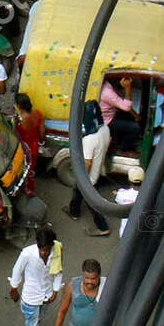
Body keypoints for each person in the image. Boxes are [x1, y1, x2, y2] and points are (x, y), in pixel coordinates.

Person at [8, 226, 62, 326]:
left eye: (46, 249)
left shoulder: (57, 249)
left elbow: (58, 272)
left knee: (37, 322)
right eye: (41, 249)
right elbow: (17, 270)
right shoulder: (27, 253)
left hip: (46, 296)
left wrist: (55, 290)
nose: (44, 253)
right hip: (30, 298)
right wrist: (14, 288)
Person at [68, 98, 113, 235]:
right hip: (98, 170)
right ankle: (73, 211)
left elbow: (87, 163)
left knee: (90, 200)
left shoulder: (89, 140)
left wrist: (81, 179)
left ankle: (103, 227)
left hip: (89, 178)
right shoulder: (105, 129)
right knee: (77, 194)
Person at [49, 259, 105, 326]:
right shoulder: (72, 286)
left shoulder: (107, 287)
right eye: (86, 278)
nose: (89, 282)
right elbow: (62, 312)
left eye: (93, 279)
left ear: (99, 276)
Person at [99, 75, 141, 152]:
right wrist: (128, 87)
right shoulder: (107, 92)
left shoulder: (107, 85)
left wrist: (134, 114)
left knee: (132, 117)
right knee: (135, 128)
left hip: (111, 113)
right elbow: (126, 106)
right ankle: (125, 148)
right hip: (106, 121)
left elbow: (121, 102)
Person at [15, 94, 43, 196]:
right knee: (31, 168)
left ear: (19, 106)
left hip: (25, 148)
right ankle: (30, 187)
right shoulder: (38, 114)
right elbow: (42, 131)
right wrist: (41, 142)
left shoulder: (21, 120)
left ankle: (28, 189)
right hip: (35, 146)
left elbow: (16, 135)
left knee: (26, 169)